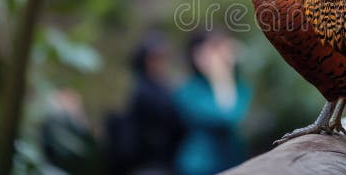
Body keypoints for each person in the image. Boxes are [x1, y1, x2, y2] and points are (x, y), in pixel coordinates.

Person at [174, 30, 251, 175]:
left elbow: (238, 112)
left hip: (235, 164)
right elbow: (227, 118)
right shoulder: (189, 91)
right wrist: (221, 76)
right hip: (200, 167)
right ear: (196, 56)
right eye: (213, 50)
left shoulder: (239, 87)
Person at [106, 33, 183, 175]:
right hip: (147, 163)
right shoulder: (143, 90)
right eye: (157, 57)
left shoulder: (159, 85)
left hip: (163, 160)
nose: (162, 62)